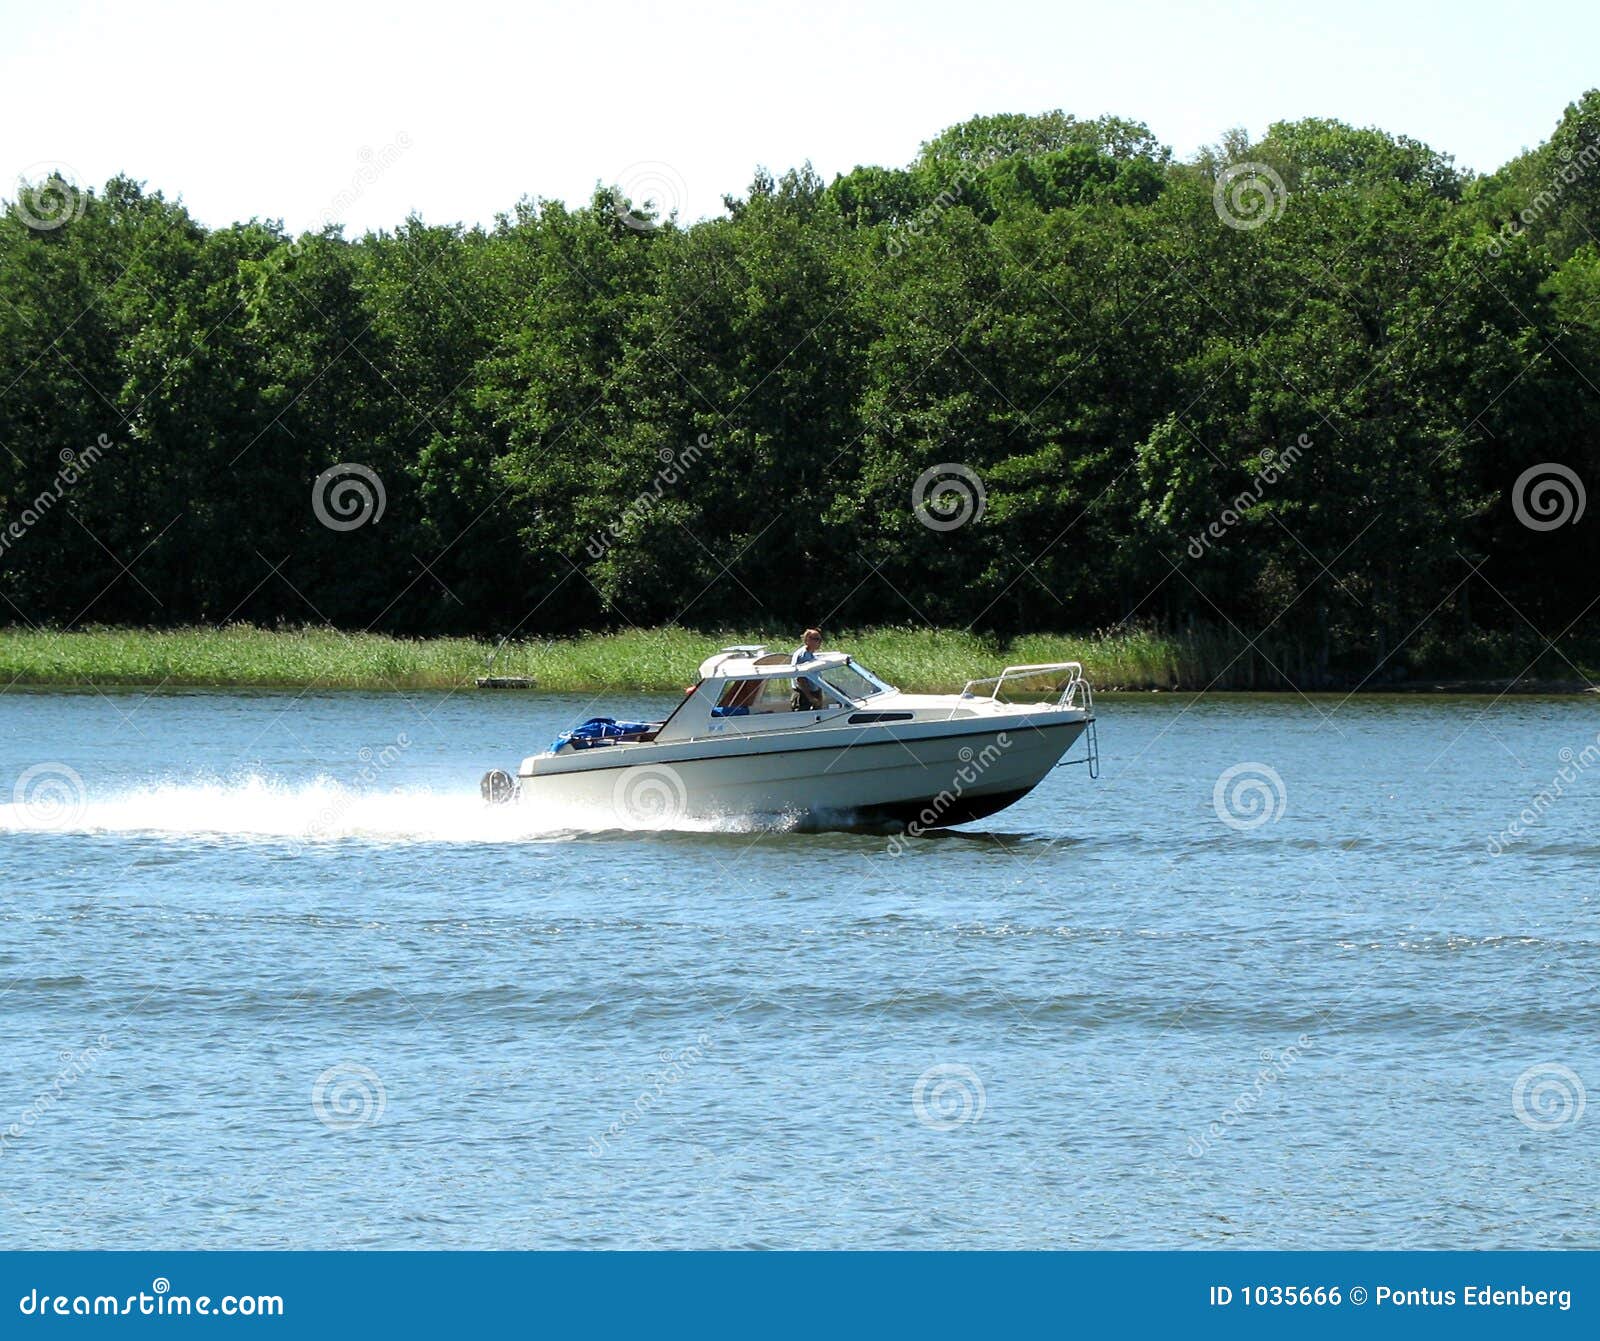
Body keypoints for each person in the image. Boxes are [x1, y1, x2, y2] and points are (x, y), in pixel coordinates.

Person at [791, 627, 827, 710]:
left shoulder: (812, 654)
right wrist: (810, 698)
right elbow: (800, 679)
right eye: (817, 639)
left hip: (813, 693)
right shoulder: (802, 656)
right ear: (808, 640)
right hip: (804, 695)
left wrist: (819, 694)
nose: (820, 642)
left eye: (820, 639)